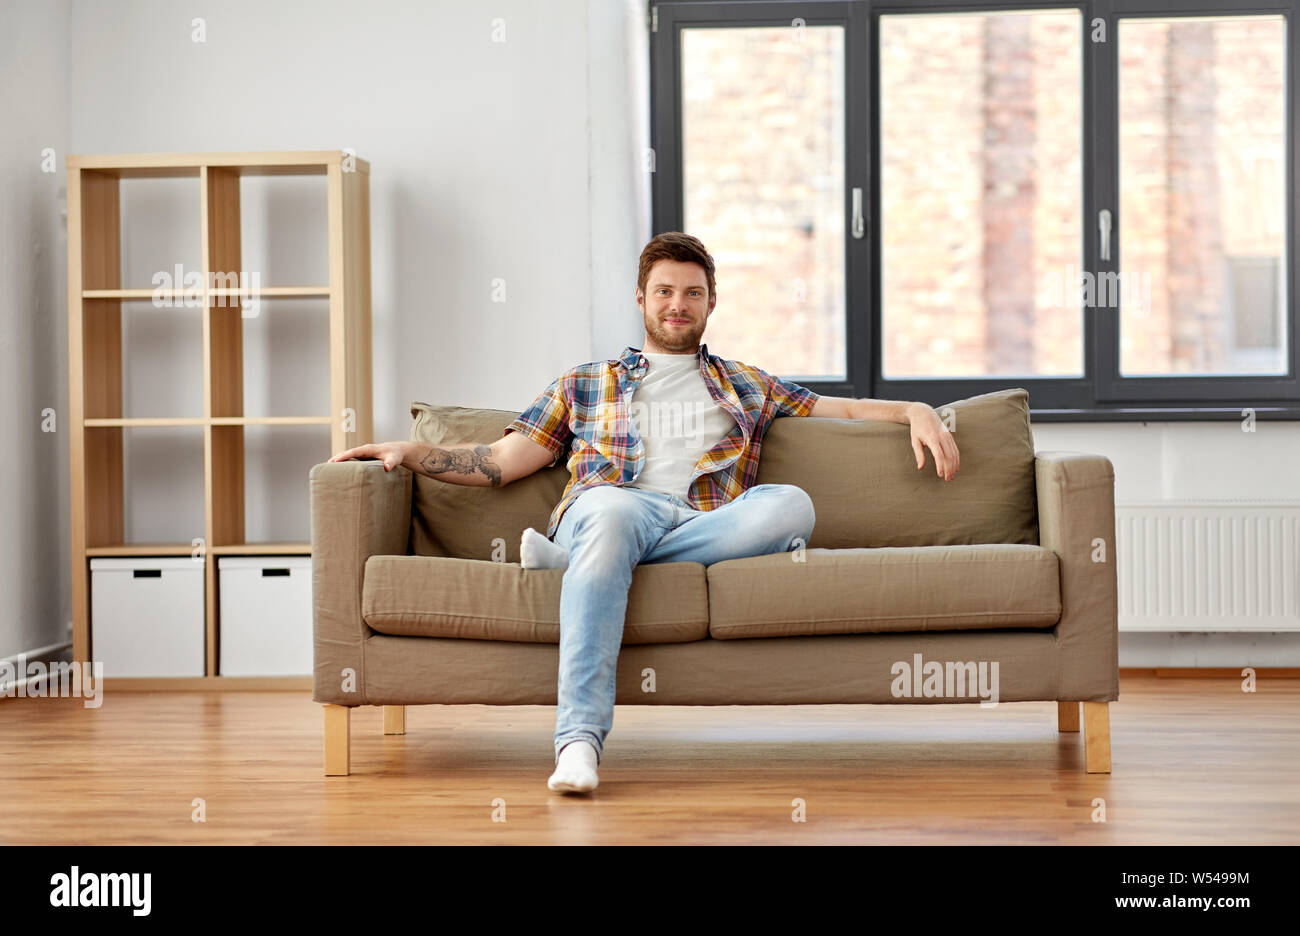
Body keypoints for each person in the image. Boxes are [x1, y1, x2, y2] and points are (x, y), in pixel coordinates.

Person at [329, 232, 960, 794]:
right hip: (612, 507)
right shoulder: (585, 381)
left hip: (704, 520)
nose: (677, 304)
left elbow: (840, 410)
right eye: (664, 291)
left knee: (790, 505)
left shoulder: (746, 382)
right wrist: (413, 451)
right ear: (641, 298)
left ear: (712, 302)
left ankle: (574, 564)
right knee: (609, 515)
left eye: (692, 292)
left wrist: (914, 410)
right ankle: (578, 742)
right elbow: (500, 461)